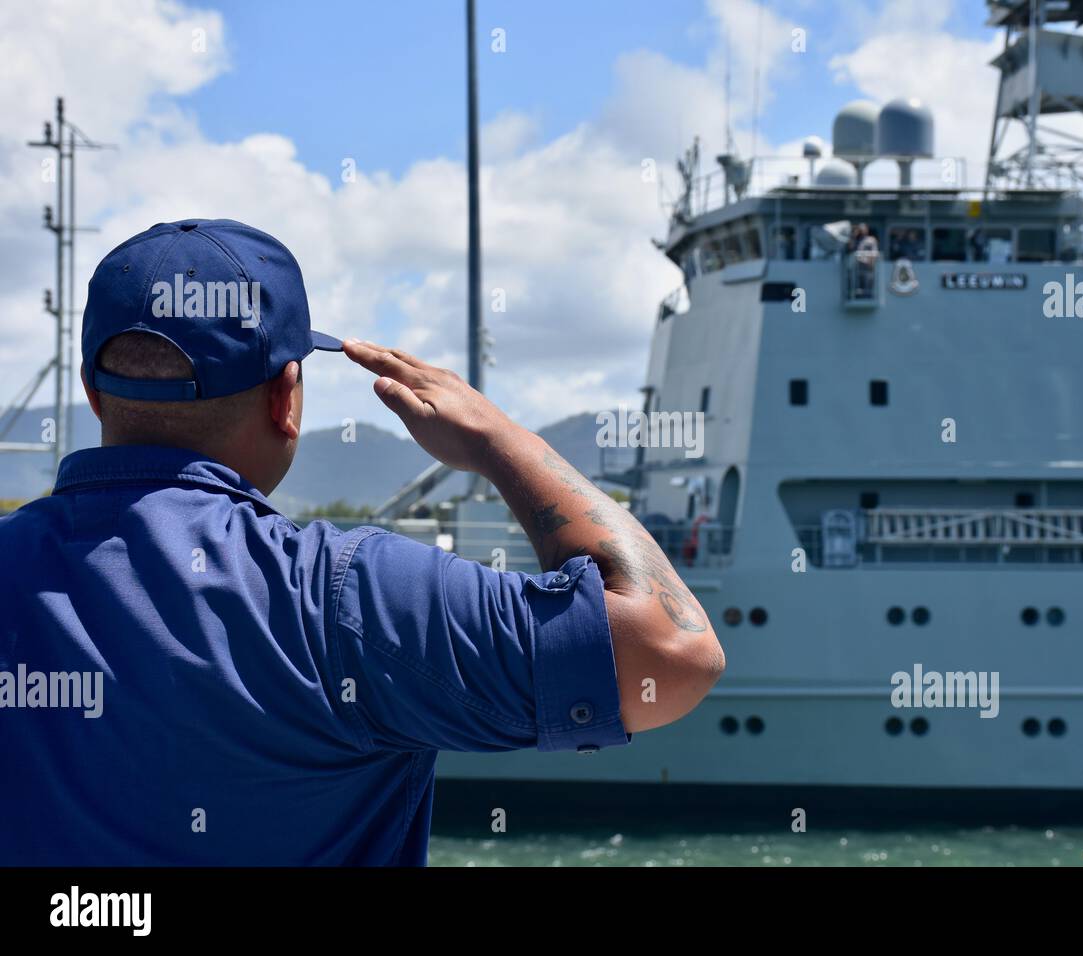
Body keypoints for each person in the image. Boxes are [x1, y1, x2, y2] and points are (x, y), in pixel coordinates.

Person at [0, 219, 724, 865]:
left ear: (95, 394)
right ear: (286, 398)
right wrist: (500, 440)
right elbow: (671, 654)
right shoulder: (344, 596)